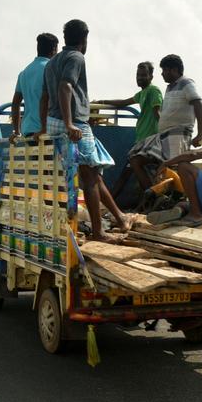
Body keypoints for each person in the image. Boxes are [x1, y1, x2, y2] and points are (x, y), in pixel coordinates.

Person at [44, 18, 133, 241]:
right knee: (90, 178)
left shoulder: (52, 62)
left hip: (54, 121)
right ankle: (98, 231)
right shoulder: (76, 57)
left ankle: (121, 218)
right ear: (85, 39)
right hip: (73, 123)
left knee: (92, 173)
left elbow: (46, 96)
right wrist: (69, 123)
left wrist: (44, 125)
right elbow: (66, 87)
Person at [93, 61, 163, 196]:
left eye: (143, 75)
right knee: (127, 171)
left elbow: (158, 112)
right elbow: (124, 102)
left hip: (150, 140)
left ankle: (153, 196)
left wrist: (164, 136)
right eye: (138, 75)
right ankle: (111, 203)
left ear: (151, 77)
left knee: (133, 164)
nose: (140, 78)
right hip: (141, 140)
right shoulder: (142, 93)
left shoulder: (153, 91)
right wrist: (102, 102)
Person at [10, 32, 59, 143]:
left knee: (36, 160)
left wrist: (16, 131)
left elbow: (15, 103)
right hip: (47, 132)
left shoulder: (24, 73)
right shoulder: (52, 70)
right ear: (54, 49)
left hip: (28, 132)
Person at [155, 54, 202, 160]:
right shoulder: (169, 88)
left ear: (174, 70)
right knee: (138, 156)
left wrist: (200, 133)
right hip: (164, 135)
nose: (162, 74)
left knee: (173, 166)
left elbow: (198, 105)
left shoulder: (186, 83)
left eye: (164, 70)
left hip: (177, 134)